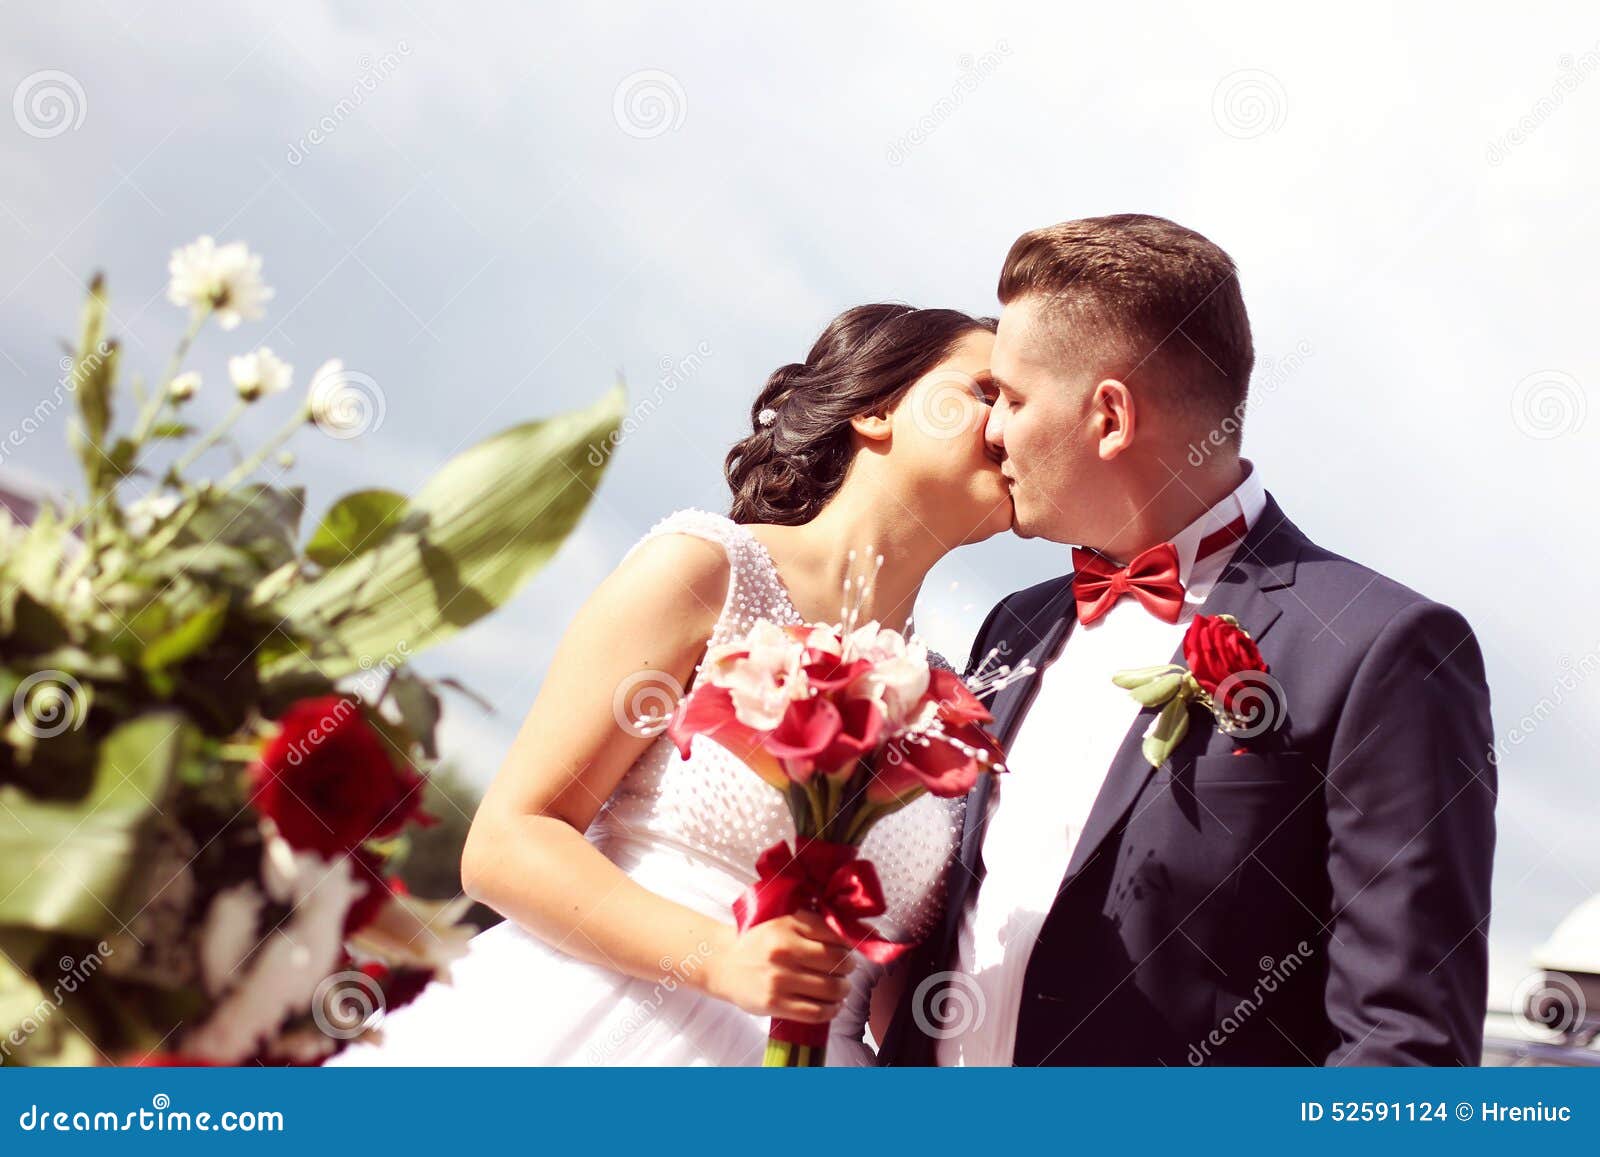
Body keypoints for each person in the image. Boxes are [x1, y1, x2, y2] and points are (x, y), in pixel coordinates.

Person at [880, 214, 1498, 1067]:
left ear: (1110, 417)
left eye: (1014, 400)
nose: (992, 431)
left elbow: (1405, 1046)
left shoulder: (1382, 650)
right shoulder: (1013, 623)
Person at [330, 303, 1012, 1065]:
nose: (1012, 423)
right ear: (875, 411)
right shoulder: (707, 572)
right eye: (988, 391)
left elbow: (902, 996)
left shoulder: (948, 702)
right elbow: (506, 841)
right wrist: (720, 959)